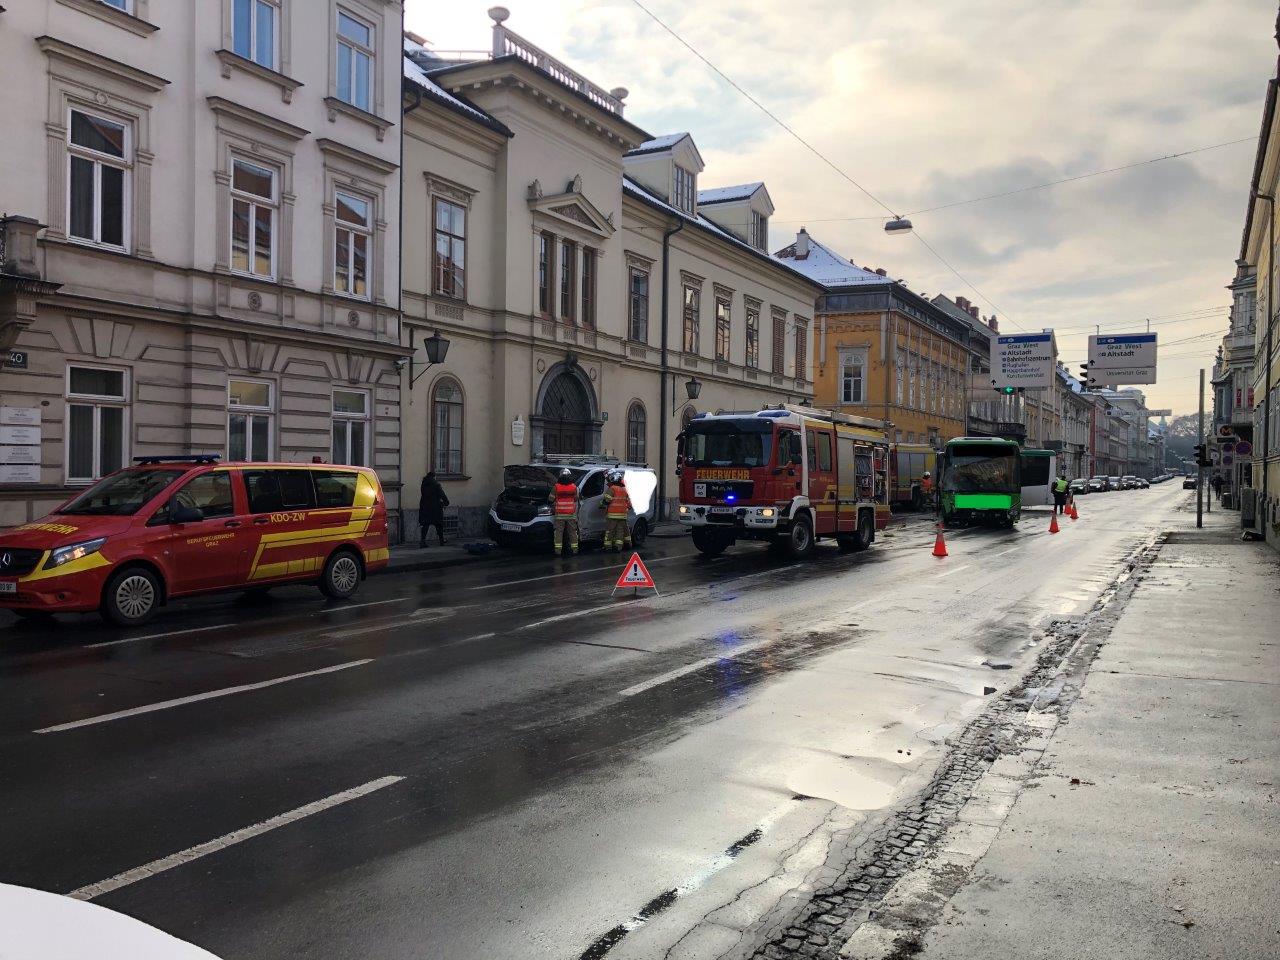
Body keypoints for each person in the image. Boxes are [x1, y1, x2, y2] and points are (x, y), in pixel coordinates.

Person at [550, 468, 580, 556]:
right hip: (570, 514)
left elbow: (551, 499)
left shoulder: (556, 487)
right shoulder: (574, 487)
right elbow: (576, 498)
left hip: (560, 514)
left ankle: (558, 551)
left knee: (559, 532)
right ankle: (574, 550)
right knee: (572, 532)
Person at [600, 470, 632, 552]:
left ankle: (607, 547)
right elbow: (629, 503)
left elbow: (607, 500)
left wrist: (601, 505)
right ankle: (618, 547)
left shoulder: (612, 488)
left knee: (610, 531)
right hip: (623, 515)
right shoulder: (624, 489)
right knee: (620, 532)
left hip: (613, 514)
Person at [418, 471, 449, 547]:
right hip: (436, 508)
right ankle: (441, 541)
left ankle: (423, 542)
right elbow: (442, 494)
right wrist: (446, 502)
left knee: (425, 525)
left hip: (425, 507)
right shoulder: (436, 485)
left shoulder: (424, 484)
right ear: (434, 477)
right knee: (439, 524)